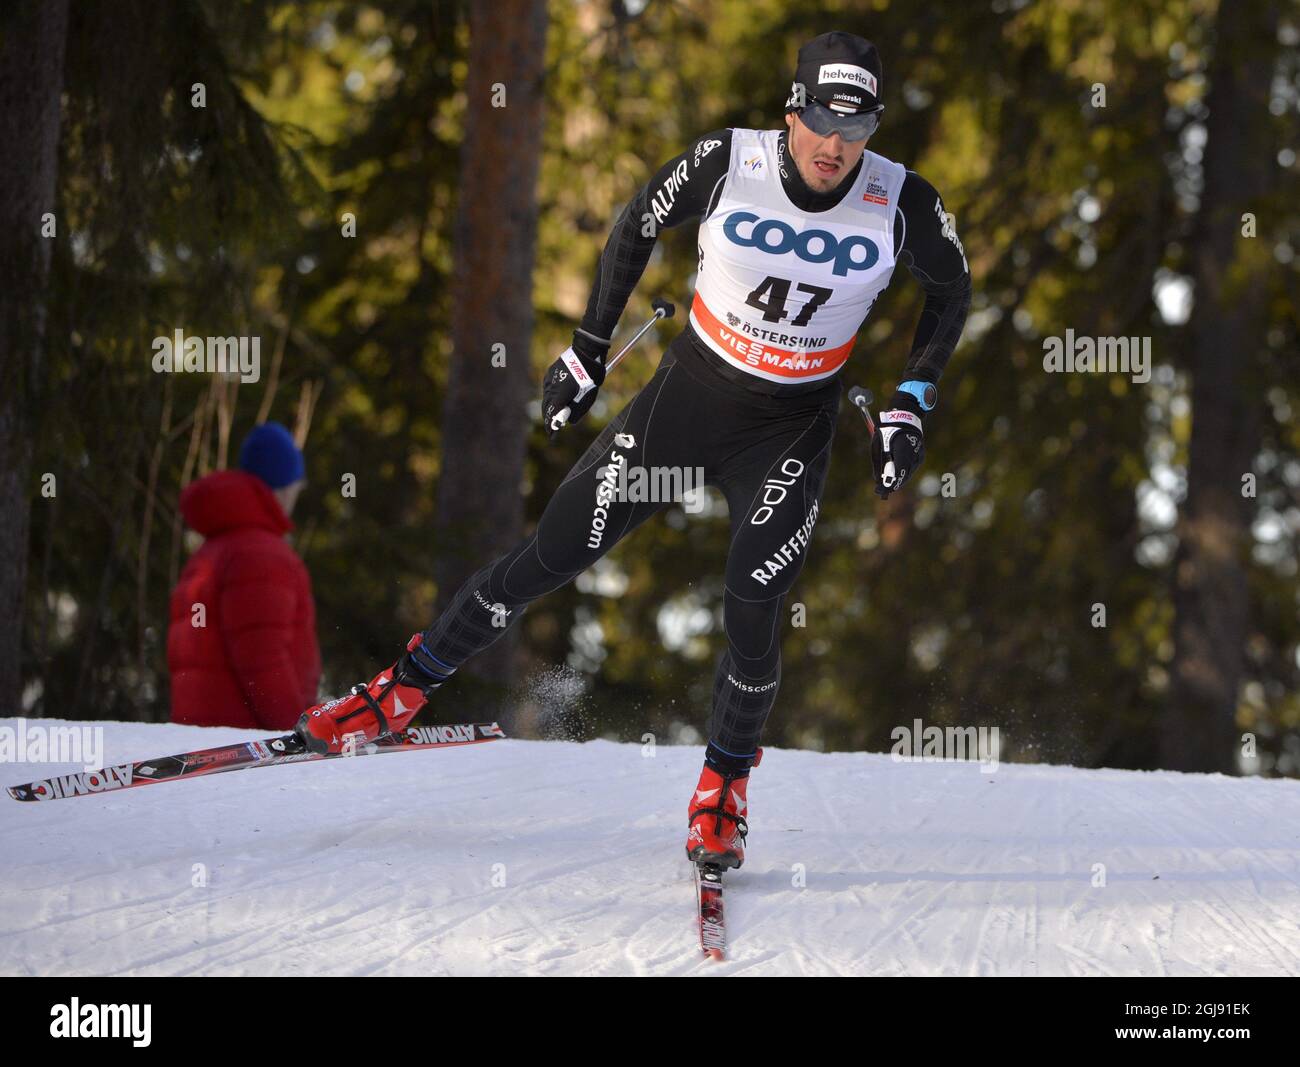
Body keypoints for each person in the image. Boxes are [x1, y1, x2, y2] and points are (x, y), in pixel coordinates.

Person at [296, 31, 971, 871]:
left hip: (790, 428)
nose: (837, 145)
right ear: (791, 109)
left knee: (752, 604)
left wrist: (912, 399)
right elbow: (640, 220)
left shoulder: (901, 200)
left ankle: (724, 787)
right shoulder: (734, 161)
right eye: (824, 119)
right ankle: (403, 687)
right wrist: (586, 348)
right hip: (686, 404)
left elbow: (951, 289)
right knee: (552, 551)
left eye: (858, 125)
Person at [169, 421, 320, 731]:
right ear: (284, 487)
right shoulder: (260, 554)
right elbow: (263, 659)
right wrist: (298, 733)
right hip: (247, 748)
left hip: (205, 744)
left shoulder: (213, 548)